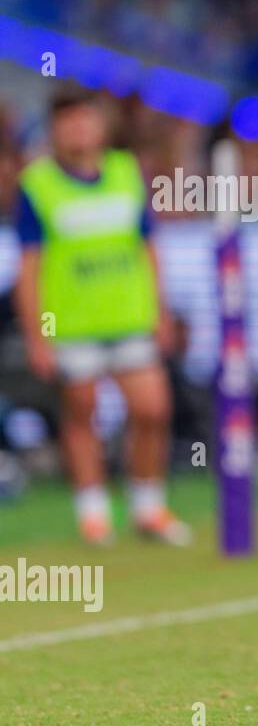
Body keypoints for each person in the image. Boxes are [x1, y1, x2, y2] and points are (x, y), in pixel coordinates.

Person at [12, 86, 190, 546]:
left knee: (152, 409)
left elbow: (148, 248)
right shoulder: (38, 186)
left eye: (86, 119)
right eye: (68, 121)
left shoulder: (125, 173)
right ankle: (93, 513)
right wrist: (37, 334)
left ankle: (148, 506)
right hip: (73, 324)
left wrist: (160, 309)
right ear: (54, 130)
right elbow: (29, 269)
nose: (79, 129)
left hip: (129, 315)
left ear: (101, 125)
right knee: (82, 414)